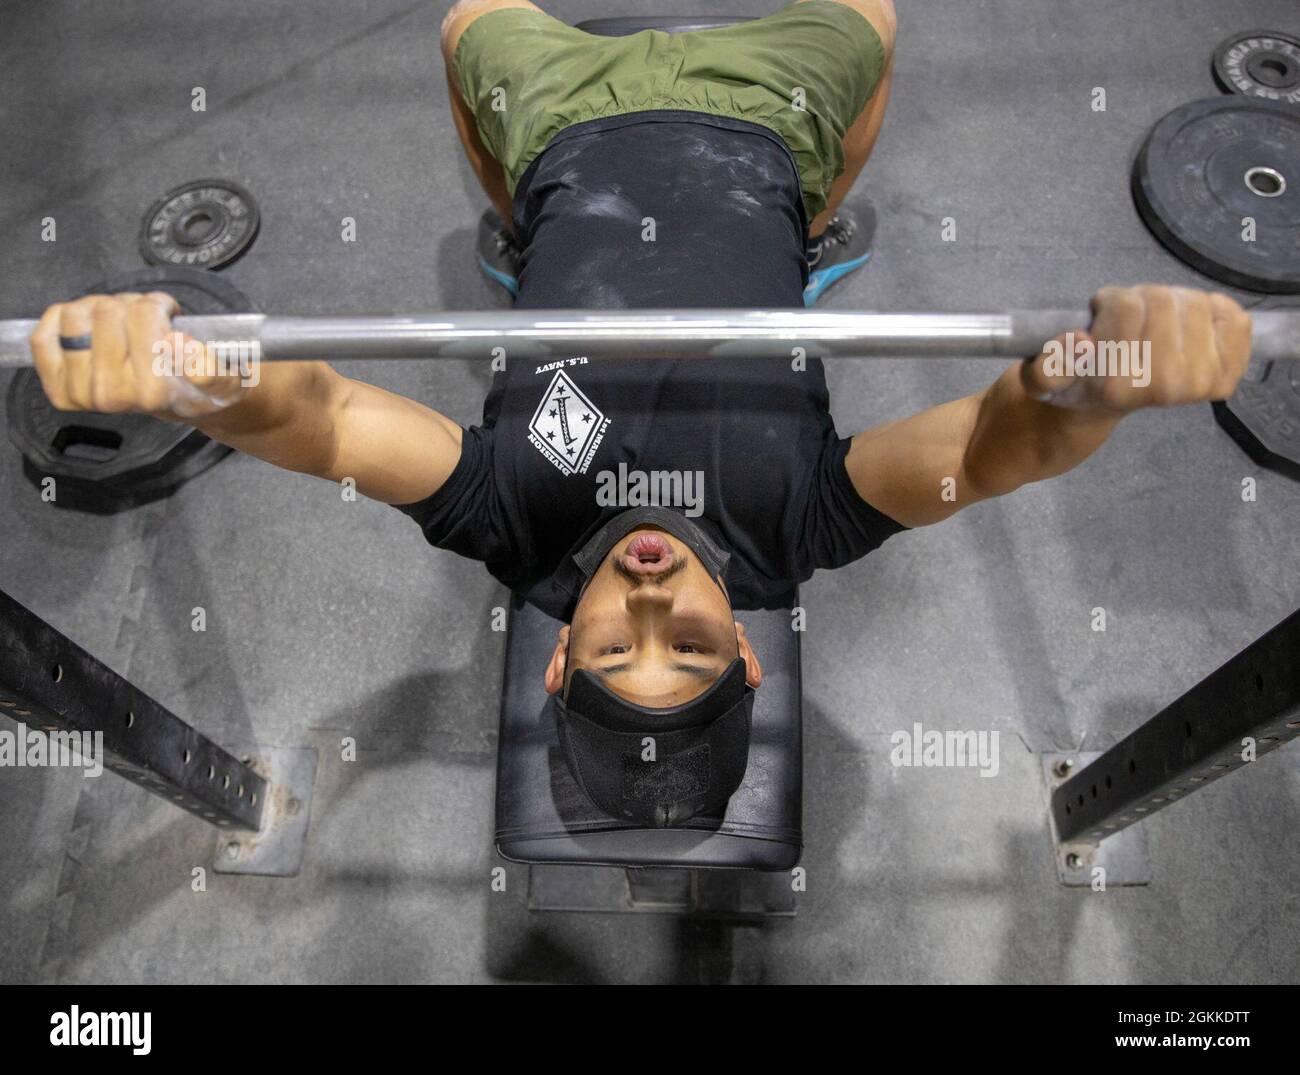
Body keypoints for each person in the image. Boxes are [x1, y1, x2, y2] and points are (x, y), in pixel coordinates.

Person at [27, 0, 1252, 825]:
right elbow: (992, 450)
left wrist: (187, 375)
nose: (654, 602)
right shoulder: (801, 530)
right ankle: (812, 202)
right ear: (751, 657)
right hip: (761, 123)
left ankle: (521, 211)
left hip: (568, 129)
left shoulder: (514, 525)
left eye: (616, 647)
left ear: (559, 650)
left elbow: (330, 422)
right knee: (873, 20)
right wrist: (1098, 383)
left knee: (462, 24)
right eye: (694, 648)